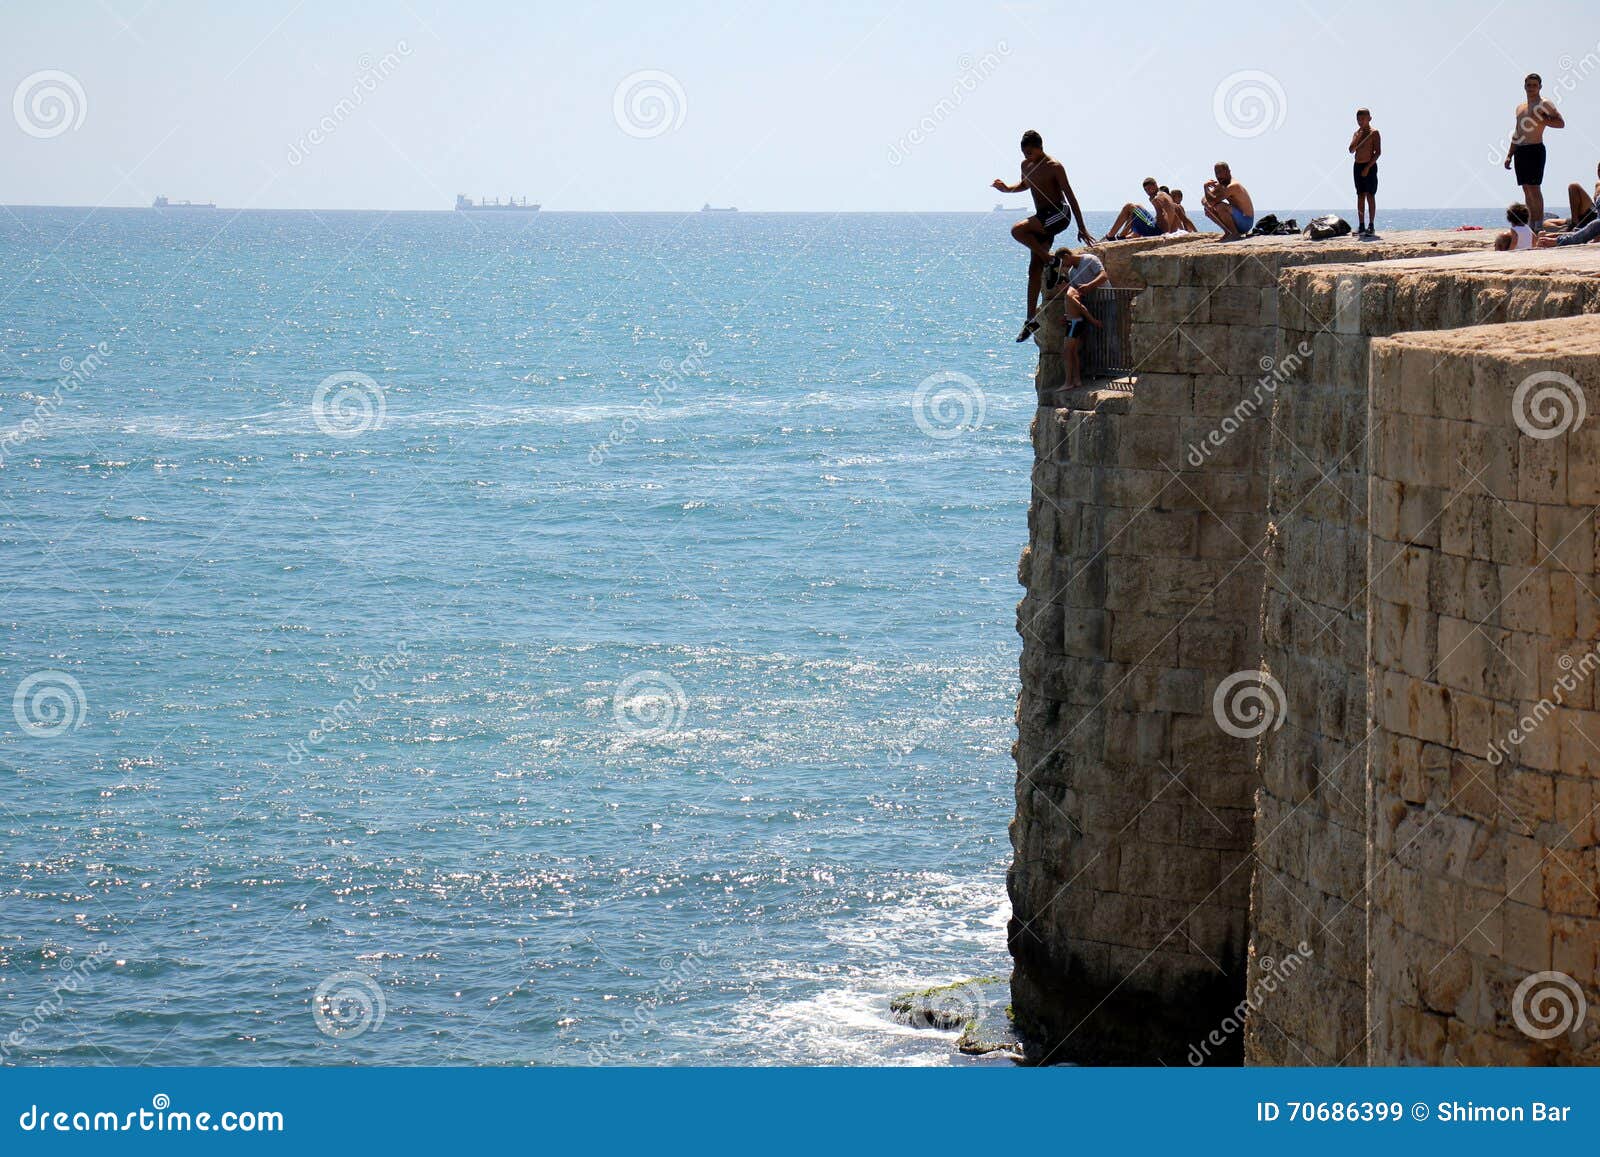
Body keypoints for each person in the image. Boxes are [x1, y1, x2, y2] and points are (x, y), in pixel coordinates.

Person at [992, 129, 1092, 342]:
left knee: (1017, 230)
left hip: (1058, 214)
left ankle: (1052, 260)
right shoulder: (1025, 166)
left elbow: (1071, 197)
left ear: (1040, 147)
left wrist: (1081, 227)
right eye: (1024, 152)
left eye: (1030, 152)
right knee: (1033, 269)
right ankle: (1030, 319)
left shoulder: (1054, 167)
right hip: (1042, 217)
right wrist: (1006, 189)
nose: (1027, 156)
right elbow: (1024, 185)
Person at [1504, 73, 1566, 234]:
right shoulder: (1520, 108)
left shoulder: (1545, 104)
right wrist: (1509, 154)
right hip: (1521, 151)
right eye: (1529, 85)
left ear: (1540, 87)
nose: (1531, 88)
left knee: (1535, 188)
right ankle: (1531, 224)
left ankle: (1538, 225)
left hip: (1535, 149)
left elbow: (1561, 123)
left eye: (1534, 85)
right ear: (1524, 86)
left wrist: (1544, 119)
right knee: (1526, 188)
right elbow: (1517, 132)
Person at [1048, 247, 1108, 388]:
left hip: (1102, 303)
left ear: (1067, 255)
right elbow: (1077, 303)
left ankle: (1071, 381)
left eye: (1062, 262)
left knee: (1069, 351)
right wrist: (1067, 315)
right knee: (1076, 349)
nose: (1063, 266)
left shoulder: (1089, 260)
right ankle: (1079, 379)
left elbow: (1104, 276)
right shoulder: (1071, 273)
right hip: (1081, 315)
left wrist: (1089, 286)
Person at [1101, 178, 1178, 240]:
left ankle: (1110, 235)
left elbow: (1164, 213)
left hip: (1157, 231)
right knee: (1137, 206)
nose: (1148, 192)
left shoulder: (1157, 197)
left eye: (1150, 188)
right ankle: (1121, 235)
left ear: (1155, 185)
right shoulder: (1164, 195)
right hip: (1157, 227)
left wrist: (1165, 232)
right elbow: (1170, 214)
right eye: (1146, 190)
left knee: (1129, 206)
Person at [1349, 108, 1382, 236]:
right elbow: (1351, 150)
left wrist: (1368, 167)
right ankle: (1361, 225)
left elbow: (1378, 152)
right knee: (1360, 195)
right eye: (1358, 119)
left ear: (1369, 118)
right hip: (1357, 166)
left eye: (1363, 119)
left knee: (1370, 195)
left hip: (1370, 166)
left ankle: (1371, 225)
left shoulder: (1374, 133)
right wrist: (1358, 137)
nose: (1360, 121)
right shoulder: (1357, 133)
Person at [1202, 162, 1255, 239]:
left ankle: (1234, 233)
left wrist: (1206, 188)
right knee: (1208, 210)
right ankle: (1228, 232)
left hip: (1246, 222)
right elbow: (1204, 200)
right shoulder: (1222, 184)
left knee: (1220, 206)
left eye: (1220, 172)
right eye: (1216, 173)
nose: (1218, 175)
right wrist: (1209, 205)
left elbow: (1213, 201)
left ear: (1228, 171)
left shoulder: (1233, 186)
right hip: (1237, 221)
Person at [1543, 161, 1599, 232]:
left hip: (1595, 217)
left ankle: (1574, 224)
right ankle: (1568, 228)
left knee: (1574, 186)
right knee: (1546, 223)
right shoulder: (1597, 184)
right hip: (1589, 212)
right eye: (1598, 169)